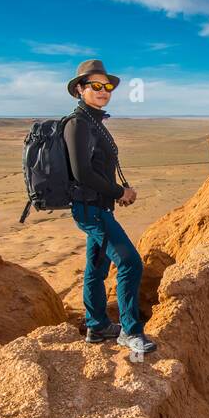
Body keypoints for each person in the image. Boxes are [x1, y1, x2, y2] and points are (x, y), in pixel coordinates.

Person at [63, 59, 156, 354]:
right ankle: (130, 331)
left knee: (96, 269)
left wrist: (114, 195)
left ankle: (97, 326)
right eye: (95, 85)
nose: (103, 90)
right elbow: (82, 173)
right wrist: (120, 191)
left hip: (99, 207)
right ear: (80, 89)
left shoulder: (93, 122)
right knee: (130, 262)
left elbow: (96, 170)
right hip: (90, 210)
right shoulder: (78, 124)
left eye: (107, 86)